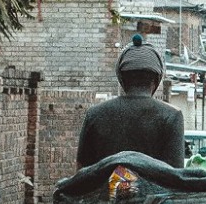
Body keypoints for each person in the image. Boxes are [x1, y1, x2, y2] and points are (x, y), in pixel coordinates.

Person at [76, 35, 185, 168]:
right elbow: (176, 175)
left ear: (121, 78)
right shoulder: (171, 117)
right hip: (155, 190)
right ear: (156, 79)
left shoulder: (95, 114)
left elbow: (81, 172)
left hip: (103, 189)